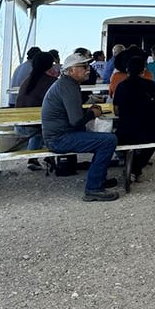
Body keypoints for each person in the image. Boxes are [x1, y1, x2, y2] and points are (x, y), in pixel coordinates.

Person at [41, 52, 119, 202]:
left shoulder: (66, 84)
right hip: (59, 139)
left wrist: (89, 111)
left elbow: (72, 113)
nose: (88, 69)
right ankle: (94, 188)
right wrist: (92, 114)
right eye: (83, 66)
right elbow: (76, 121)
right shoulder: (68, 87)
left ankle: (99, 179)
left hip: (59, 135)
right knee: (109, 141)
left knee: (103, 140)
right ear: (71, 70)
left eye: (88, 65)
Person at [114, 55, 155, 182]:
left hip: (126, 132)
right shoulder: (151, 85)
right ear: (143, 71)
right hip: (151, 132)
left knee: (118, 137)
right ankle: (136, 168)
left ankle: (130, 166)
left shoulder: (121, 86)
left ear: (127, 70)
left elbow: (116, 111)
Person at [15, 51, 56, 170]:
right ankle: (50, 155)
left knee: (39, 126)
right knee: (56, 125)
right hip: (33, 126)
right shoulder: (51, 82)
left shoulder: (28, 80)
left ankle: (33, 159)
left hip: (19, 124)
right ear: (49, 65)